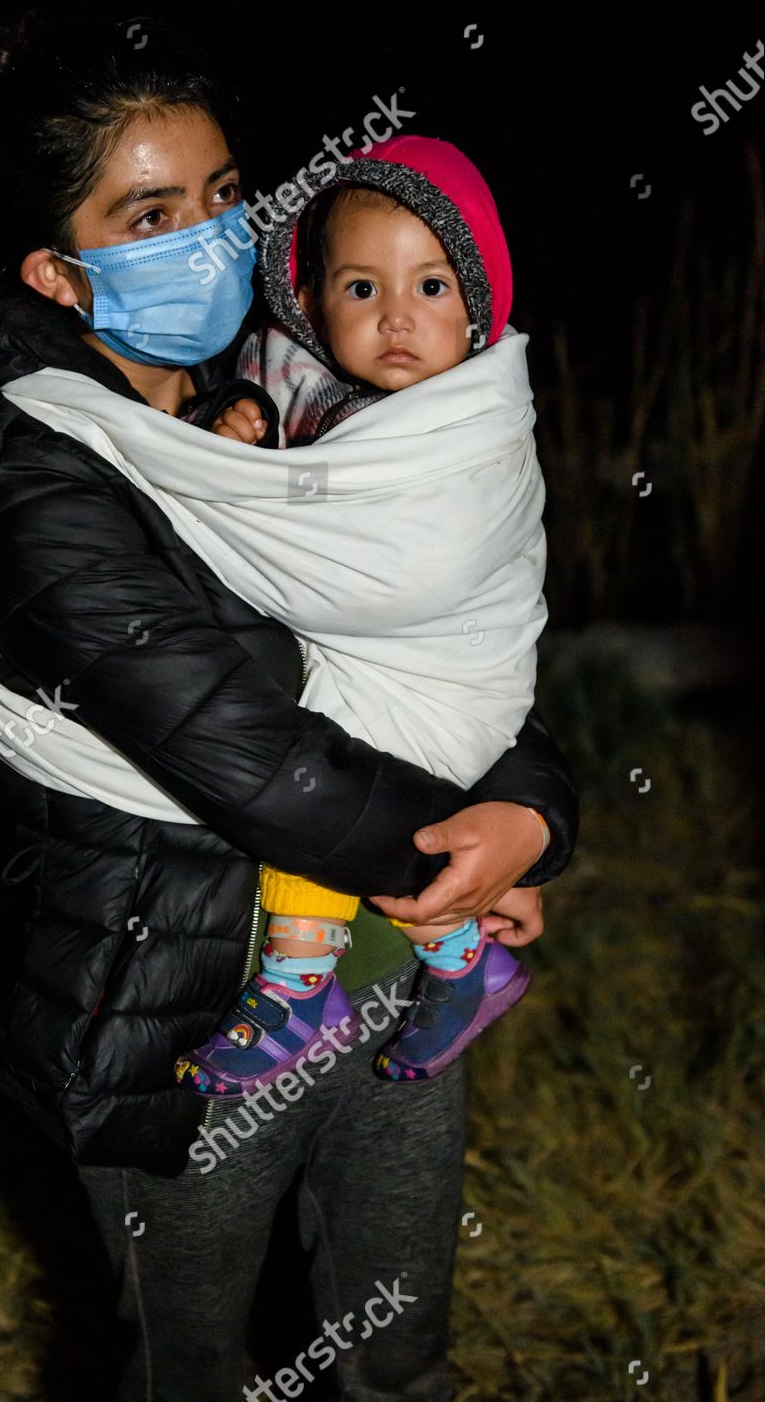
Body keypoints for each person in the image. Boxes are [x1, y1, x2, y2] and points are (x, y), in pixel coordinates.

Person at [0, 8, 578, 1402]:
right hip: (180, 1017)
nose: (210, 237)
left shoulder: (295, 397)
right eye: (150, 212)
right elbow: (248, 754)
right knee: (185, 1370)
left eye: (223, 197)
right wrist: (466, 856)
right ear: (57, 270)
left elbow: (433, 656)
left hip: (391, 978)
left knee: (396, 1357)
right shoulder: (39, 483)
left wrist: (527, 809)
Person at [175, 133, 546, 1097]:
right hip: (356, 666)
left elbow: (442, 565)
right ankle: (467, 965)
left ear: (480, 302)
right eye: (359, 288)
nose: (395, 319)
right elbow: (254, 505)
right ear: (311, 299)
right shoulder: (300, 386)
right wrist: (232, 438)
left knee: (325, 767)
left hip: (454, 673)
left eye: (431, 288)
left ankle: (302, 984)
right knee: (334, 767)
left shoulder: (475, 413)